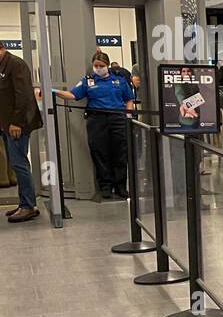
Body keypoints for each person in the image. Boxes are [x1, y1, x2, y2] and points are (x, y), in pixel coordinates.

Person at [44, 50, 134, 201]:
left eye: (101, 65)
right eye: (96, 65)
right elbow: (73, 95)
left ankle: (120, 186)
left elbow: (129, 99)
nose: (98, 68)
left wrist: (128, 114)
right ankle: (105, 186)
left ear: (107, 65)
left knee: (120, 153)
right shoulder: (88, 81)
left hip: (117, 118)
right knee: (100, 153)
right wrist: (53, 91)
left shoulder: (119, 80)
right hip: (96, 120)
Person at [0, 39, 42, 223]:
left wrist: (16, 122)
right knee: (16, 163)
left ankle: (28, 207)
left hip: (18, 124)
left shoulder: (16, 65)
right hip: (6, 124)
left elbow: (23, 95)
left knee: (19, 163)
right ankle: (25, 202)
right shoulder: (3, 65)